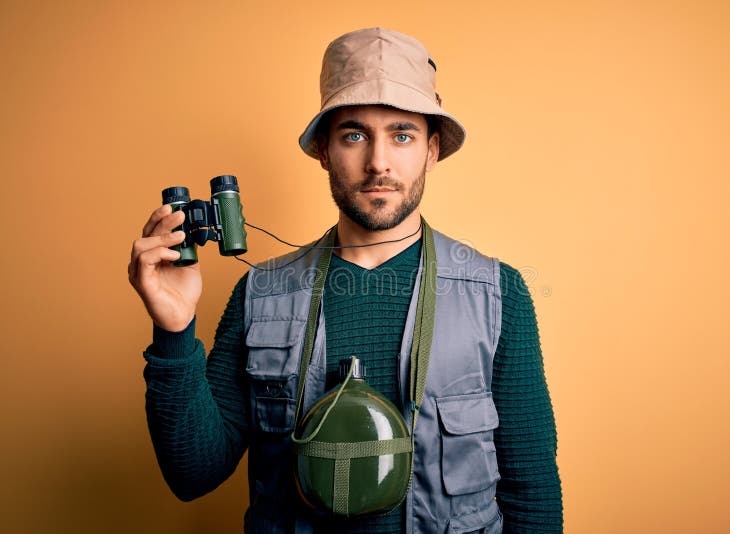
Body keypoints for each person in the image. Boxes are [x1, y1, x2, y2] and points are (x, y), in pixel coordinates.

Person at [128, 27, 563, 533]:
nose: (378, 161)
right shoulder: (259, 294)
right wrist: (175, 331)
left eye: (402, 134)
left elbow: (532, 495)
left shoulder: (498, 294)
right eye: (354, 135)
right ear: (323, 152)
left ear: (432, 150)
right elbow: (192, 474)